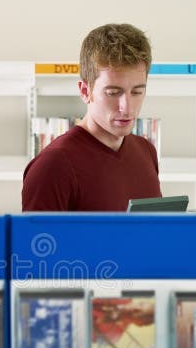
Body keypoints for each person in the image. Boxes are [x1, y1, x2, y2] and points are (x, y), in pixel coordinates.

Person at [22, 23, 162, 211]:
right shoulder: (53, 166)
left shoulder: (146, 152)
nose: (126, 107)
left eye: (137, 92)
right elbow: (36, 241)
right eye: (113, 92)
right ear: (85, 91)